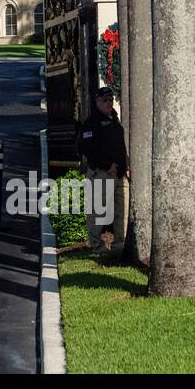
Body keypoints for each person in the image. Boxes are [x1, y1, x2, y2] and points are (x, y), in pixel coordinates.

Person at [79, 85, 129, 259]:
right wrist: (108, 165)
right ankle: (96, 246)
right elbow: (88, 150)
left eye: (111, 99)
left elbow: (120, 147)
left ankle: (119, 246)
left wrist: (124, 165)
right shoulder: (91, 124)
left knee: (121, 211)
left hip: (119, 174)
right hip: (101, 172)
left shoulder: (115, 121)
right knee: (97, 210)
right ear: (97, 102)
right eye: (105, 100)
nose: (109, 103)